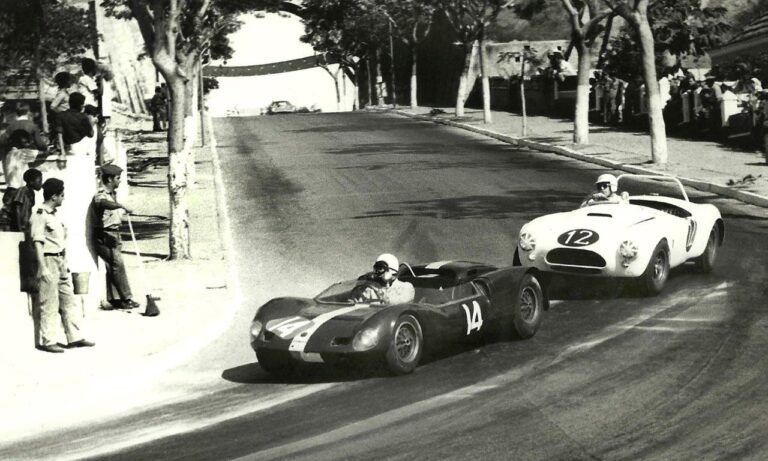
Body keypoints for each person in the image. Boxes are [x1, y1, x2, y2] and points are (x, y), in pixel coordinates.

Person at [29, 178, 95, 353]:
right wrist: (43, 268)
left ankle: (75, 337)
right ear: (54, 196)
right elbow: (37, 242)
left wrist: (64, 263)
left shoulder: (54, 215)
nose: (63, 198)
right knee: (49, 302)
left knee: (68, 300)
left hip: (60, 261)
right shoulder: (40, 214)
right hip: (48, 261)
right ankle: (48, 340)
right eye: (61, 195)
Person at [90, 164, 139, 310]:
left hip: (115, 234)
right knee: (117, 264)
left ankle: (116, 298)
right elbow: (103, 204)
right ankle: (126, 298)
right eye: (118, 178)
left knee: (114, 266)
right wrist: (120, 206)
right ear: (110, 179)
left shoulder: (113, 194)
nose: (120, 181)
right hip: (104, 235)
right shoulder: (101, 194)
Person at [7, 168, 43, 234]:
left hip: (22, 227)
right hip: (11, 226)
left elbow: (28, 211)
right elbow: (17, 210)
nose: (41, 184)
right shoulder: (22, 191)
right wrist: (19, 228)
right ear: (31, 182)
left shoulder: (32, 194)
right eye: (39, 181)